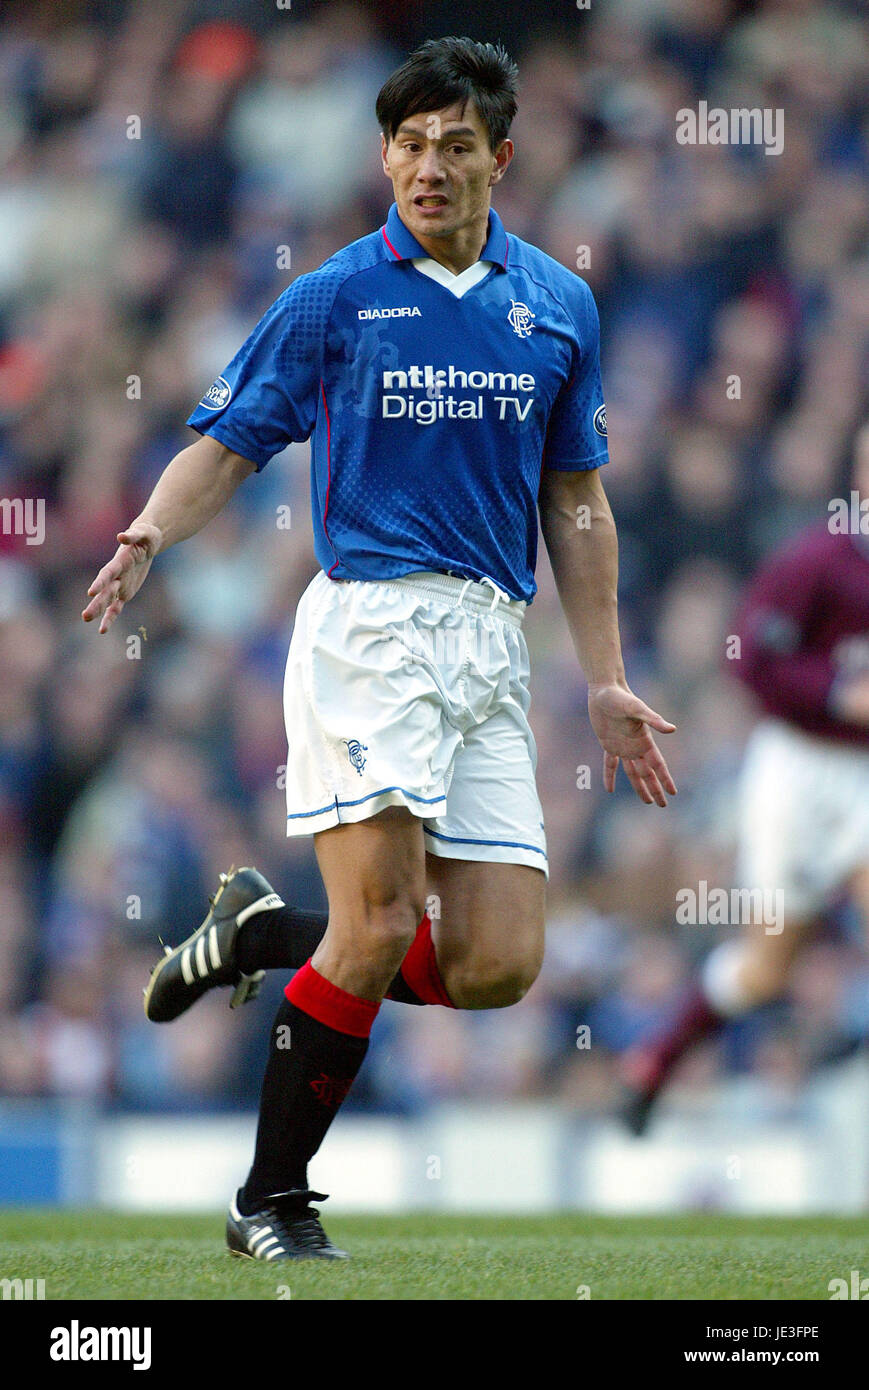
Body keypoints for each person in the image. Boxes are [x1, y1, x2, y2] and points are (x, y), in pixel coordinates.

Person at [84, 37, 676, 1260]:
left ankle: (255, 936)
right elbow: (231, 441)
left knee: (496, 965)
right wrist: (148, 530)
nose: (429, 167)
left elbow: (577, 504)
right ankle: (268, 1199)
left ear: (500, 159)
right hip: (371, 628)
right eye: (408, 145)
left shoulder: (557, 305)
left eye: (455, 146)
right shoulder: (336, 293)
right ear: (384, 157)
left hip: (489, 646)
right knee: (374, 924)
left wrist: (606, 675)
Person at [620, 424, 869, 1136]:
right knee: (766, 968)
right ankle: (654, 1064)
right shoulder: (818, 561)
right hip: (801, 768)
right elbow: (751, 660)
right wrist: (835, 694)